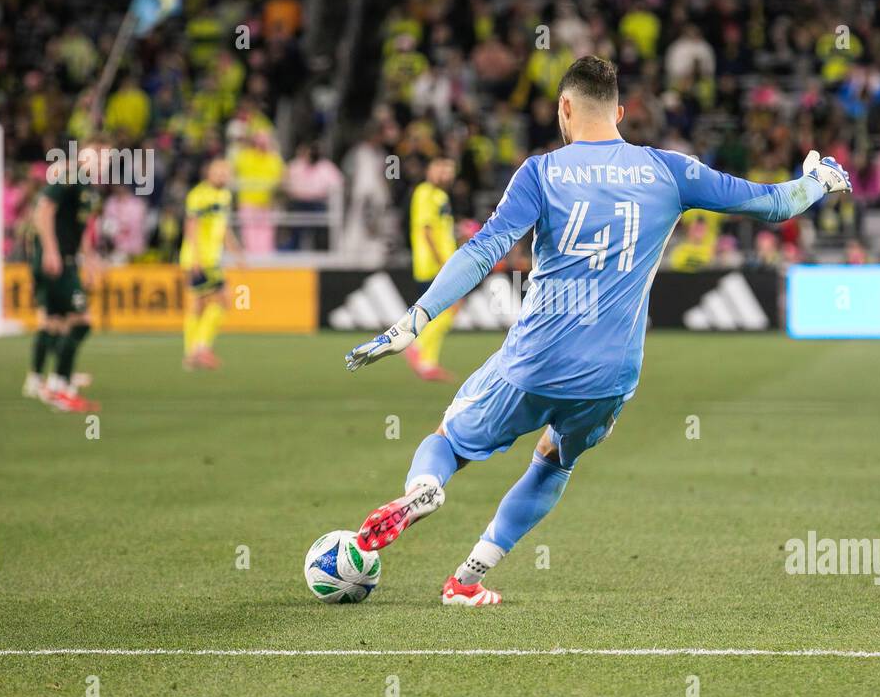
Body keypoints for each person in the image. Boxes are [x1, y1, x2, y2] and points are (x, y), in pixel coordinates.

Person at [345, 55, 851, 605]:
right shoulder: (669, 170)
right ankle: (467, 579)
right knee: (555, 460)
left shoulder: (540, 173)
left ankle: (424, 489)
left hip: (535, 358)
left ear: (565, 107)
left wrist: (411, 322)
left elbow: (482, 250)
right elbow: (773, 205)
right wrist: (818, 180)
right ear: (622, 112)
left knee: (449, 441)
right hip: (612, 372)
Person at [23, 147, 103, 412]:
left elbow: (81, 230)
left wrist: (89, 259)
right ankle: (58, 385)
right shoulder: (70, 177)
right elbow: (43, 209)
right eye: (100, 155)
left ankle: (49, 382)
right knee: (81, 321)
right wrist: (50, 250)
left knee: (56, 322)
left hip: (67, 262)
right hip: (57, 263)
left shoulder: (88, 190)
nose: (104, 162)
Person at [180, 159, 244, 370]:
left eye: (225, 172)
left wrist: (236, 251)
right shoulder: (198, 195)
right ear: (209, 173)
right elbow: (191, 227)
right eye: (218, 172)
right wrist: (197, 257)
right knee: (220, 300)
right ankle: (200, 348)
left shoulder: (225, 196)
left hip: (211, 258)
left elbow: (223, 227)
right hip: (199, 258)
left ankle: (193, 353)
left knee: (200, 305)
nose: (222, 176)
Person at [406, 157, 460, 381]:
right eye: (440, 169)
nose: (445, 174)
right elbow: (426, 230)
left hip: (444, 263)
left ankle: (428, 362)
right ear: (429, 170)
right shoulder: (425, 192)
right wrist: (442, 264)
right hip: (433, 265)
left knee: (442, 311)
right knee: (448, 309)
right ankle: (417, 348)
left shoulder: (441, 196)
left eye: (449, 170)